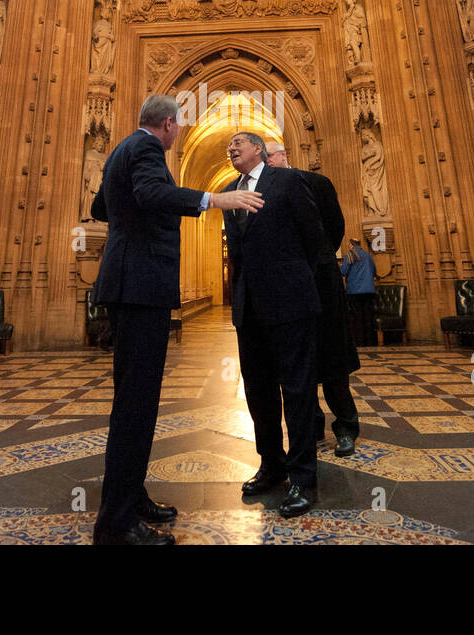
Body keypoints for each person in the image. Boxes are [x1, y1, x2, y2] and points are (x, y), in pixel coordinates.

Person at [90, 95, 263, 545]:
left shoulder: (120, 151)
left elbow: (101, 208)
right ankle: (116, 525)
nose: (178, 134)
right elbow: (149, 193)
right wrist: (215, 199)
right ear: (168, 125)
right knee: (136, 406)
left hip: (127, 283)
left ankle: (131, 496)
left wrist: (135, 220)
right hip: (140, 285)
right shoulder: (147, 149)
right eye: (179, 127)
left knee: (135, 401)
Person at [223, 131, 326, 517]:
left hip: (291, 303)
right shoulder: (230, 192)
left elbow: (314, 239)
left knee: (298, 391)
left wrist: (292, 280)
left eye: (237, 144)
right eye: (228, 146)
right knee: (258, 391)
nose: (231, 149)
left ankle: (303, 476)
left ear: (258, 150)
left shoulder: (287, 181)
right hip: (249, 307)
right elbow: (237, 251)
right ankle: (271, 464)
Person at [265, 141, 360, 457]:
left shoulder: (316, 182)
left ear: (282, 156)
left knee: (333, 357)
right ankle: (312, 428)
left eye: (269, 155)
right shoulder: (263, 192)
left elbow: (335, 226)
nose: (266, 162)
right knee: (298, 362)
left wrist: (317, 258)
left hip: (321, 279)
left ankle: (346, 427)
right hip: (286, 284)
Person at [341, 237, 377, 347]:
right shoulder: (368, 255)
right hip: (369, 290)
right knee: (368, 316)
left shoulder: (350, 255)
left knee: (356, 317)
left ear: (351, 245)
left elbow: (343, 271)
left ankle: (359, 341)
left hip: (355, 290)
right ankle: (370, 341)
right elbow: (374, 271)